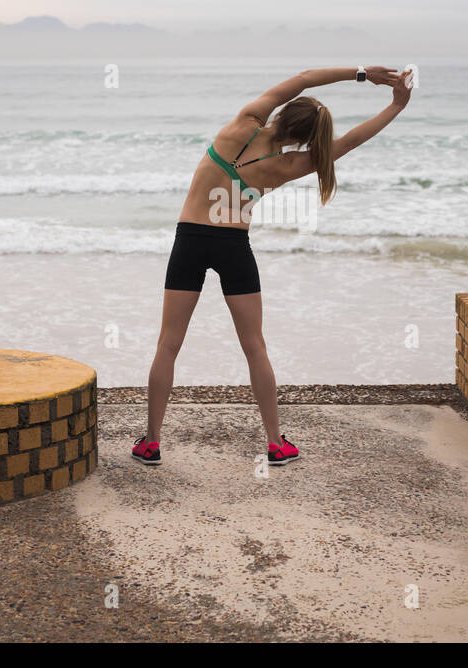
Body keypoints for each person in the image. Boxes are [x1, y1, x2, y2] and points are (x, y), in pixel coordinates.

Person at [133, 65, 414, 466]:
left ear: (283, 114)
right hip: (233, 247)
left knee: (168, 344)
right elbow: (350, 142)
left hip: (191, 240)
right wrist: (397, 106)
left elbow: (301, 80)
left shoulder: (244, 123)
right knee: (254, 347)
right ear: (306, 137)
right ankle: (274, 444)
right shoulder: (288, 166)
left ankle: (152, 442)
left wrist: (360, 74)